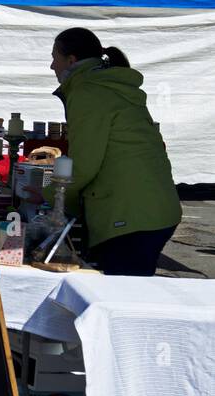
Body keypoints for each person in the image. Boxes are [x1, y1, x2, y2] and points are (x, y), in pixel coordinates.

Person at [32, 27, 182, 276]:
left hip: (131, 214)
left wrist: (50, 196)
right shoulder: (108, 86)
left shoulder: (88, 93)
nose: (51, 66)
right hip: (151, 208)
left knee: (123, 299)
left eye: (54, 57)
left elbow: (84, 164)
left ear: (71, 60)